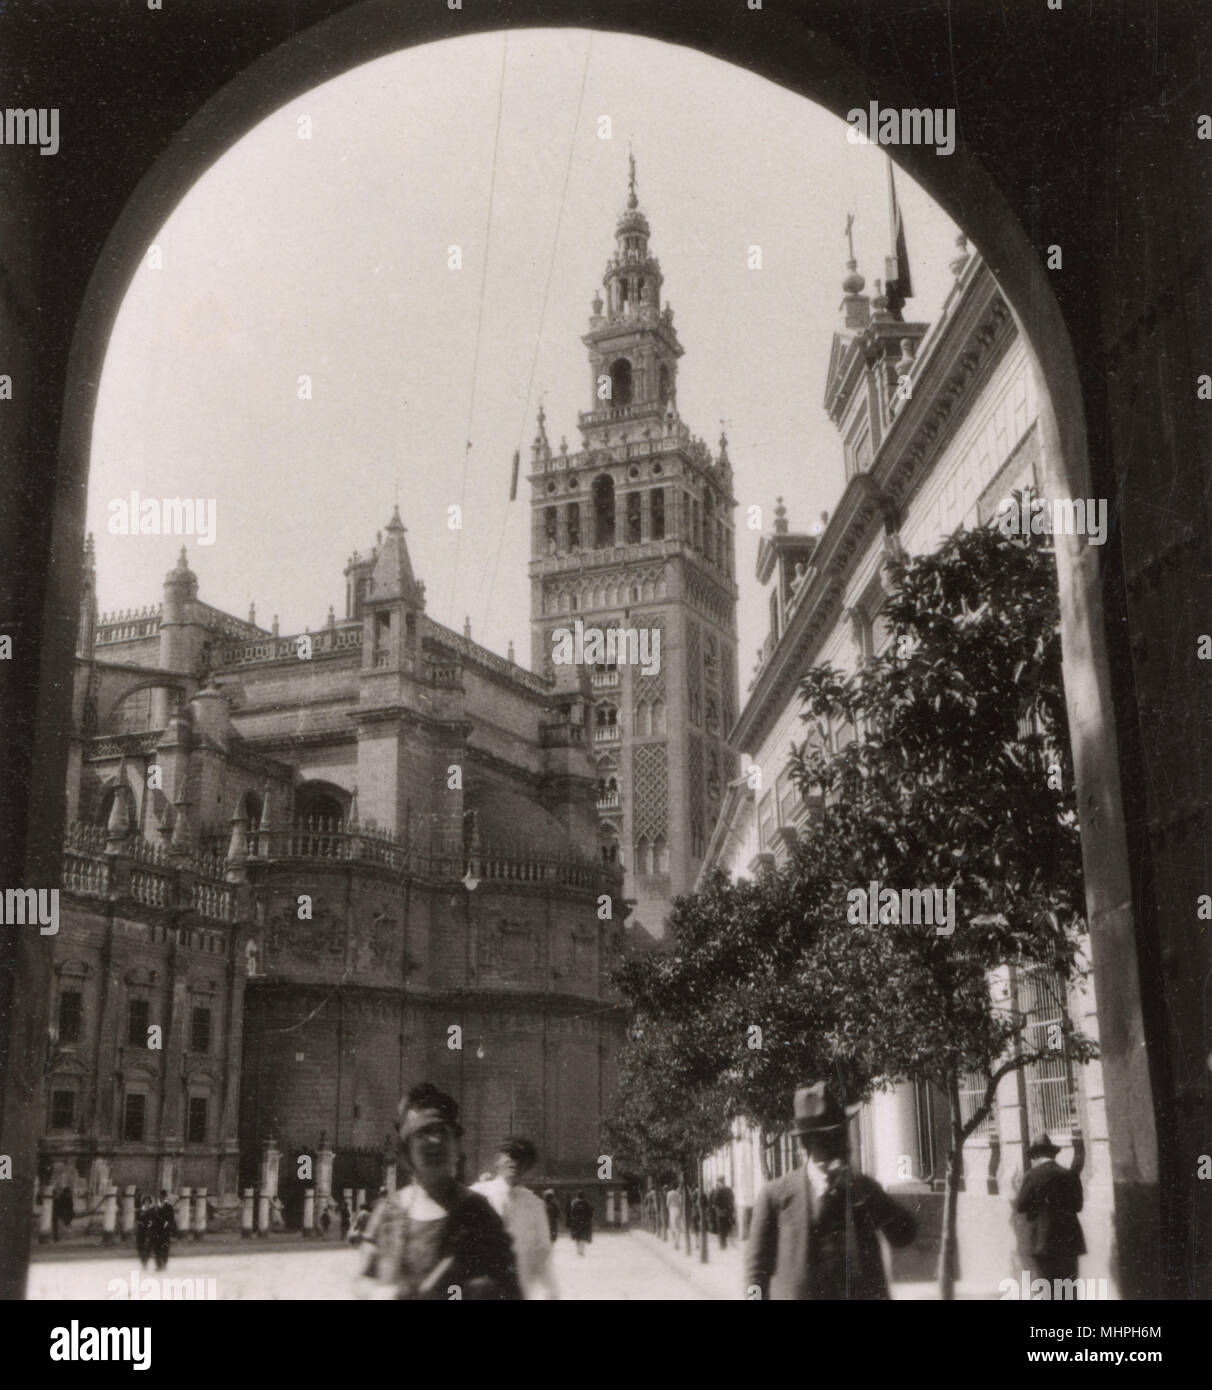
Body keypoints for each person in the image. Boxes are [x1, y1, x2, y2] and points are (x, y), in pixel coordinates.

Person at [746, 1083, 917, 1300]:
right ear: (810, 1141)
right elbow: (755, 1271)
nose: (844, 1142)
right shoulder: (775, 1196)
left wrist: (866, 1198)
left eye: (842, 1132)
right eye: (832, 1135)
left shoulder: (864, 1187)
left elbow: (905, 1234)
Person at [356, 1082, 521, 1300]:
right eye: (424, 1133)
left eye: (443, 1131)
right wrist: (379, 1293)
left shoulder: (479, 1214)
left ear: (457, 1145)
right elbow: (363, 1280)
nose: (436, 1141)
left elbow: (511, 1289)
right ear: (407, 1151)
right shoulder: (388, 1213)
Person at [473, 1137, 559, 1299]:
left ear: (527, 1167)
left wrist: (551, 1293)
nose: (514, 1162)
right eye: (509, 1155)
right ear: (497, 1161)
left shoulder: (534, 1206)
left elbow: (542, 1255)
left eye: (521, 1159)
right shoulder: (476, 1196)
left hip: (518, 1291)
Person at [1014, 1135, 1086, 1288]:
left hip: (1043, 1241)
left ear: (1037, 1155)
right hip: (1069, 1241)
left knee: (1047, 1289)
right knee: (1068, 1290)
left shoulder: (1032, 1176)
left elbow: (1020, 1206)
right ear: (1053, 1154)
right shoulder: (1069, 1175)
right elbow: (1078, 1206)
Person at [150, 1190, 176, 1271]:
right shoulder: (154, 1207)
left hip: (165, 1231)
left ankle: (164, 1263)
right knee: (156, 1248)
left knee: (165, 1247)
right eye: (160, 1196)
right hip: (156, 1230)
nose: (161, 1198)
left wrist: (170, 1227)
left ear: (165, 1197)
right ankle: (158, 1264)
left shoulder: (169, 1207)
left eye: (163, 1196)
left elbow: (171, 1219)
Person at [710, 1177, 736, 1250]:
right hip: (728, 1211)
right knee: (728, 1226)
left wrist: (716, 1207)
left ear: (719, 1182)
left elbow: (715, 1201)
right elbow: (732, 1199)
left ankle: (722, 1245)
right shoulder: (729, 1189)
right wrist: (730, 1209)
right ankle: (729, 1242)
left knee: (721, 1228)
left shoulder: (718, 1190)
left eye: (717, 1182)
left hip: (720, 1212)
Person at [568, 1190, 593, 1256]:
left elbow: (571, 1213)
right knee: (583, 1237)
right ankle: (581, 1250)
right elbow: (590, 1213)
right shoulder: (587, 1203)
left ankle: (578, 1249)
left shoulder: (574, 1203)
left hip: (576, 1222)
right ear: (583, 1196)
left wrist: (573, 1220)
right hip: (584, 1222)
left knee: (577, 1237)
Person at [134, 1195, 156, 1268]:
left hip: (150, 1230)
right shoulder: (140, 1210)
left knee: (149, 1246)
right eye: (145, 1201)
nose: (146, 1203)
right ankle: (143, 1260)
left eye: (148, 1201)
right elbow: (136, 1219)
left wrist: (151, 1223)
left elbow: (155, 1219)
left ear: (150, 1202)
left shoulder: (152, 1210)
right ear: (143, 1202)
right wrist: (139, 1222)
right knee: (140, 1245)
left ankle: (145, 1260)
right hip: (141, 1230)